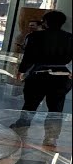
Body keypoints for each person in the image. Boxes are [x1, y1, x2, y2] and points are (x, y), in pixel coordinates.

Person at [11, 10, 73, 147]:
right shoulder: (70, 38)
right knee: (56, 109)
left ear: (45, 22)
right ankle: (51, 138)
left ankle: (21, 129)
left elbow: (28, 58)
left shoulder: (34, 37)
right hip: (61, 77)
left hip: (38, 75)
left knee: (30, 105)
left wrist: (21, 71)